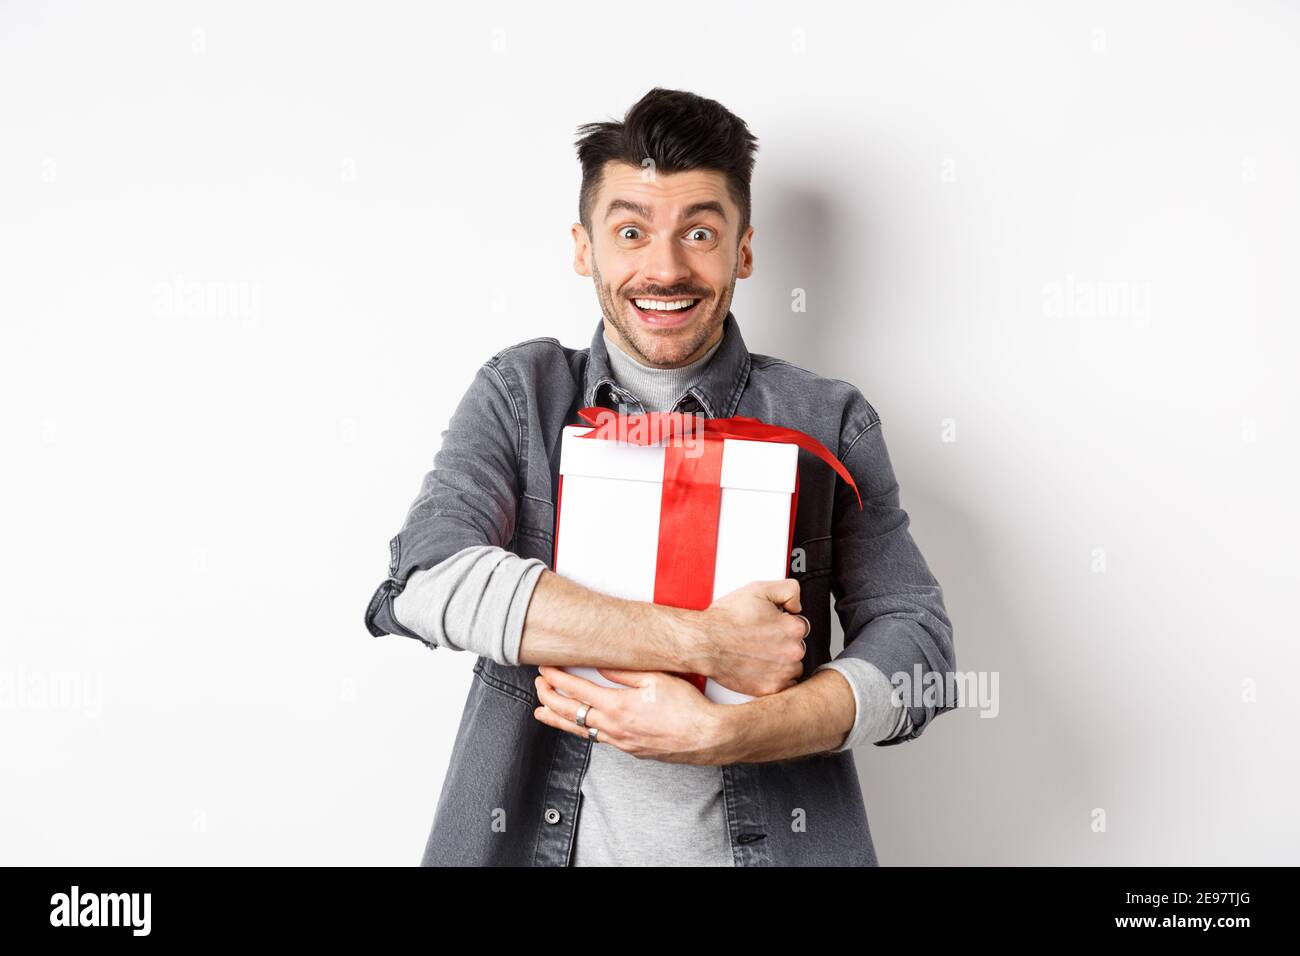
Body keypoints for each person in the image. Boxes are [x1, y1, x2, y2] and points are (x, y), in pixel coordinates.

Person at [364, 87, 956, 866]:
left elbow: (922, 658)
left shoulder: (828, 419)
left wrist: (728, 732)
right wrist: (707, 642)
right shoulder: (523, 394)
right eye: (632, 230)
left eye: (700, 232)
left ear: (744, 249)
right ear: (585, 248)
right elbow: (427, 579)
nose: (665, 268)